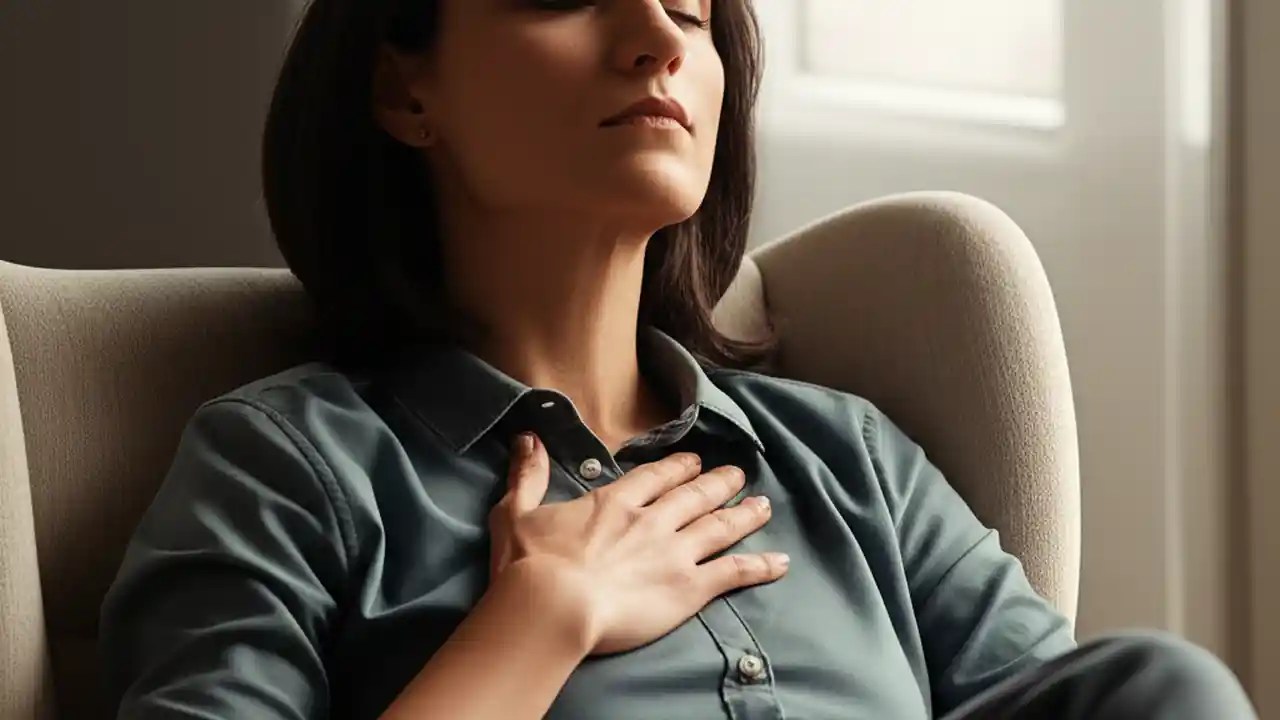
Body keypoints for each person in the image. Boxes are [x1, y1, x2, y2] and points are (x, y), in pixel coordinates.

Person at [98, 0, 1258, 718]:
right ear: (406, 88)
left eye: (693, 10)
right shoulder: (286, 464)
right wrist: (540, 619)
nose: (655, 31)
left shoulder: (847, 458)